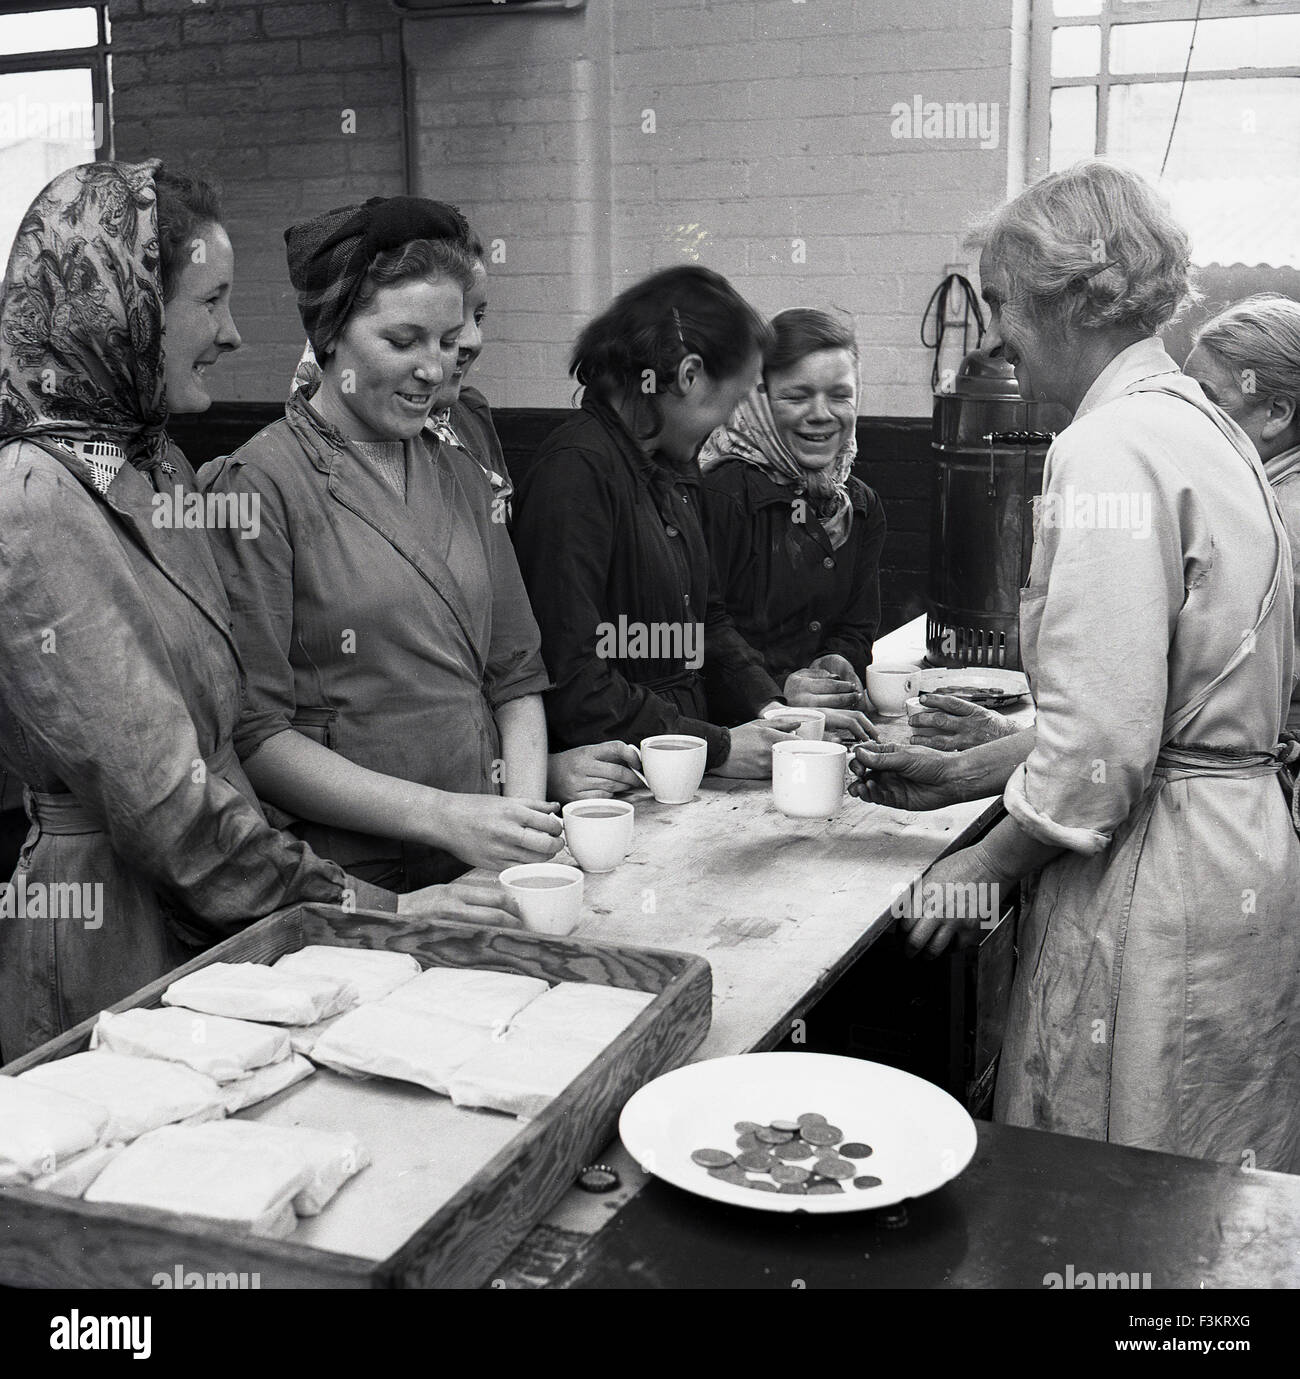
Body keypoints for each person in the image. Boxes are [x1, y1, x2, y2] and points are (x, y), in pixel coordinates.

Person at [853, 160, 1300, 1173]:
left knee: (1112, 1182)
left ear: (1070, 297)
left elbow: (1104, 747)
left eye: (1002, 303)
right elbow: (1174, 703)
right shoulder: (1201, 424)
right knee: (1205, 1191)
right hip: (1236, 852)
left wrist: (983, 861)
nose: (998, 334)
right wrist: (979, 771)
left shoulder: (1109, 446)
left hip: (1159, 881)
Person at [0, 163, 494, 1061]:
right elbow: (167, 808)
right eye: (211, 300)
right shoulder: (33, 499)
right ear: (125, 308)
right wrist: (373, 905)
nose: (233, 334)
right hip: (112, 930)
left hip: (223, 911)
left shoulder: (156, 470)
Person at [200, 197, 570, 894]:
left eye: (448, 340)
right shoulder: (259, 486)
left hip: (481, 861)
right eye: (403, 342)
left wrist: (514, 834)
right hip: (355, 881)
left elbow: (515, 676)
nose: (434, 369)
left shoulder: (459, 471)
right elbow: (257, 736)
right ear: (331, 336)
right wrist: (443, 815)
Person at [511, 267, 874, 777]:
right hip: (615, 778)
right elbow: (576, 678)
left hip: (678, 762)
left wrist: (771, 709)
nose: (729, 421)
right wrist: (716, 747)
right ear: (687, 377)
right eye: (733, 399)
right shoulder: (576, 473)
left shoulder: (671, 464)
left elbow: (706, 624)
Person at [697, 308, 887, 716]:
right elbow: (699, 635)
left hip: (817, 729)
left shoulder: (861, 505)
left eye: (840, 395)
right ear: (757, 402)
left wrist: (839, 662)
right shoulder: (722, 497)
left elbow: (856, 626)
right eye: (796, 396)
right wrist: (777, 692)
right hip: (735, 733)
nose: (821, 413)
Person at [1184, 294, 1300, 732]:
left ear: (1277, 413)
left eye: (1210, 401)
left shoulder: (1273, 520)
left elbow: (1179, 693)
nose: (1186, 418)